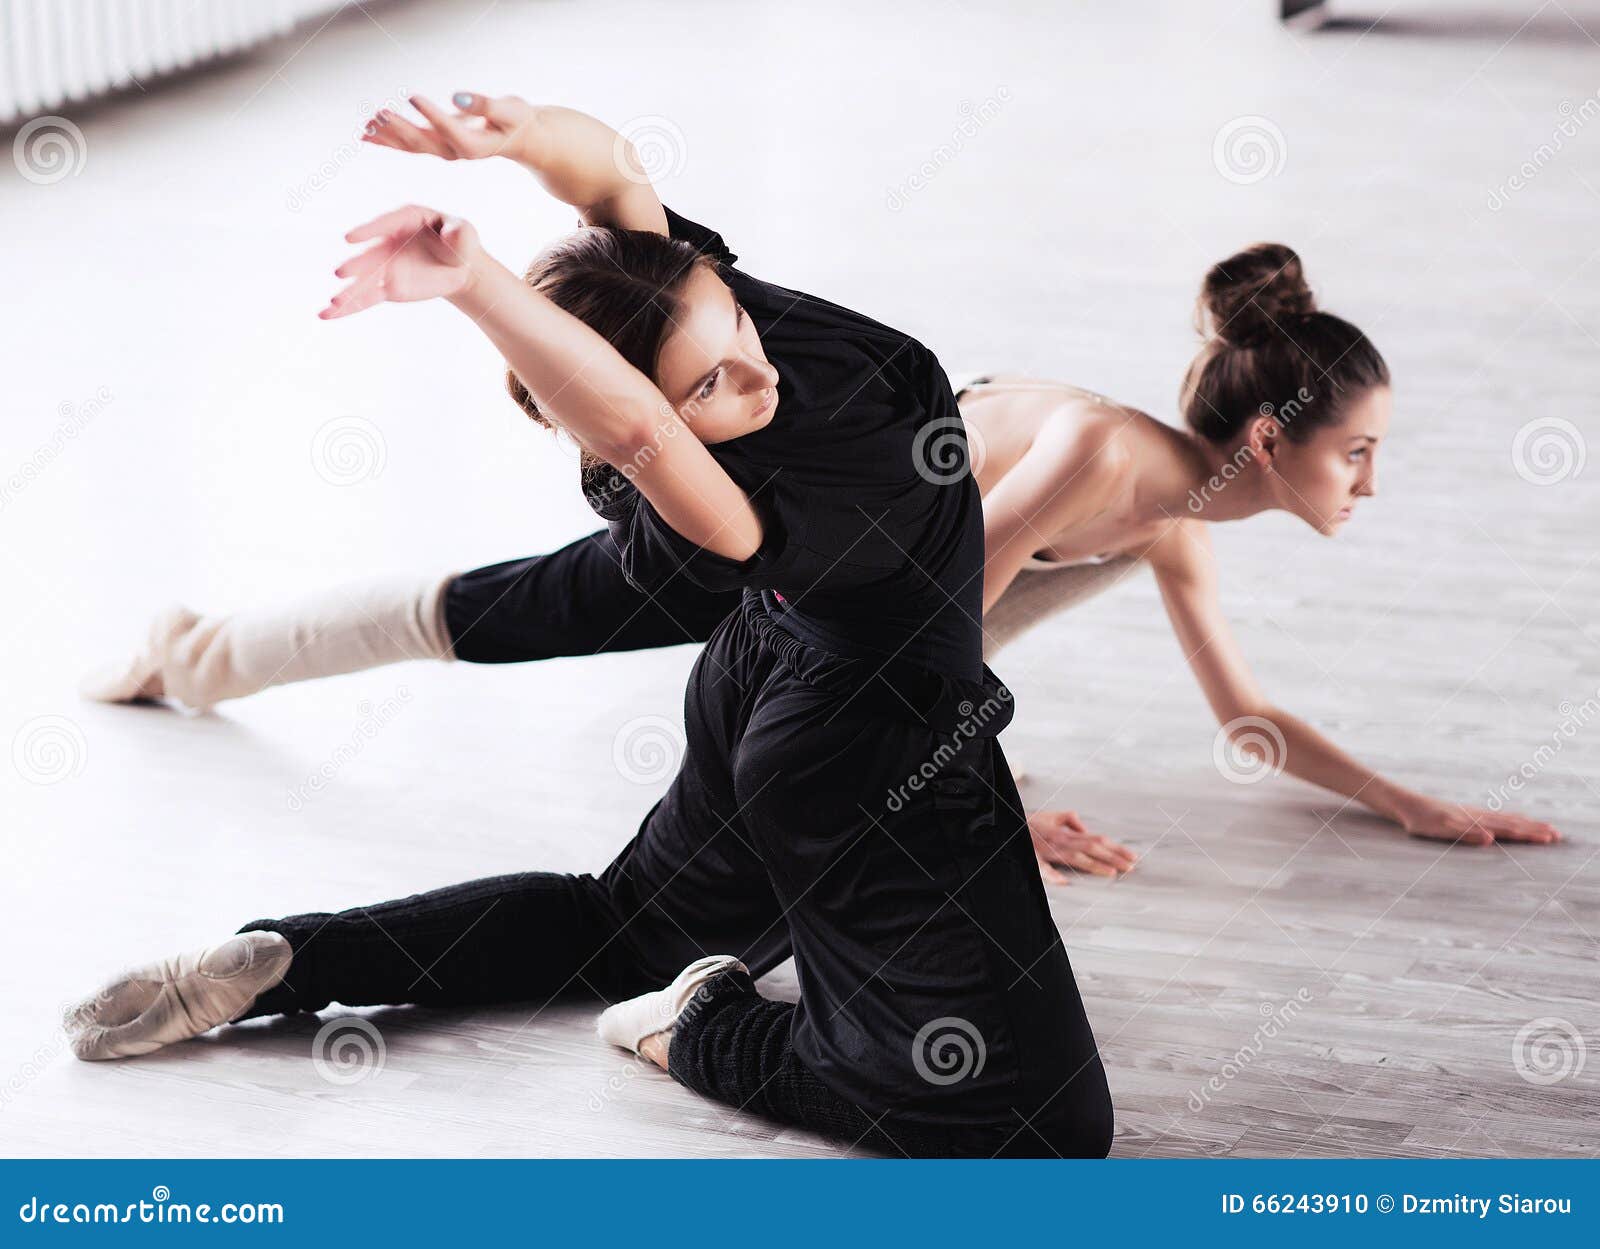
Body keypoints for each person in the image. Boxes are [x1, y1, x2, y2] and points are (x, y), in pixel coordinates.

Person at [80, 98, 1560, 858]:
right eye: (1354, 450)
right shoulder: (1106, 457)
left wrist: (1415, 806)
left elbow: (1243, 718)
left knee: (520, 610)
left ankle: (200, 649)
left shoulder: (1176, 514)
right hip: (775, 503)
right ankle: (194, 652)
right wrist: (967, 806)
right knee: (502, 614)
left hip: (832, 538)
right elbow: (918, 654)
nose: (1373, 479)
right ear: (1266, 442)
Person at [65, 98, 1113, 1160]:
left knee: (616, 927)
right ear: (660, 423)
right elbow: (637, 428)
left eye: (739, 324)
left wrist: (510, 138)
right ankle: (701, 1027)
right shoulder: (719, 501)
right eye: (713, 385)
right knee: (1033, 1128)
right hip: (862, 742)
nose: (762, 369)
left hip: (772, 683)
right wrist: (479, 287)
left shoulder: (687, 323)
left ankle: (288, 959)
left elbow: (614, 183)